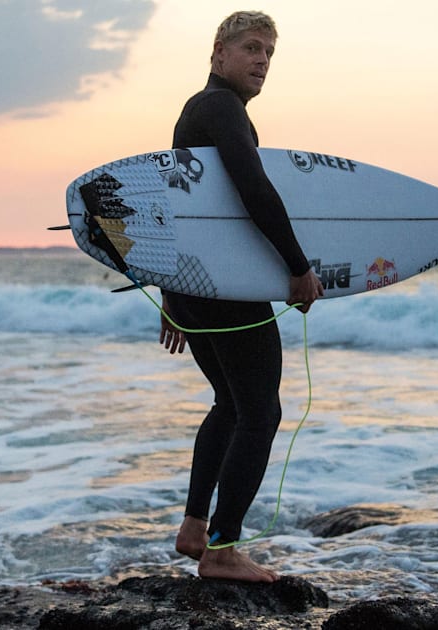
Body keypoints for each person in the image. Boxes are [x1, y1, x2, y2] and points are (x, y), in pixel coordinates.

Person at [159, 11, 324, 583]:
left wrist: (171, 290)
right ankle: (223, 551)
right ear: (219, 53)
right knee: (261, 412)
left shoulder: (194, 112)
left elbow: (180, 206)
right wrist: (298, 267)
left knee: (230, 406)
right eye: (251, 48)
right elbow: (253, 187)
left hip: (198, 287)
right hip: (225, 289)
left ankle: (194, 526)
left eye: (269, 54)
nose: (261, 61)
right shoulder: (220, 108)